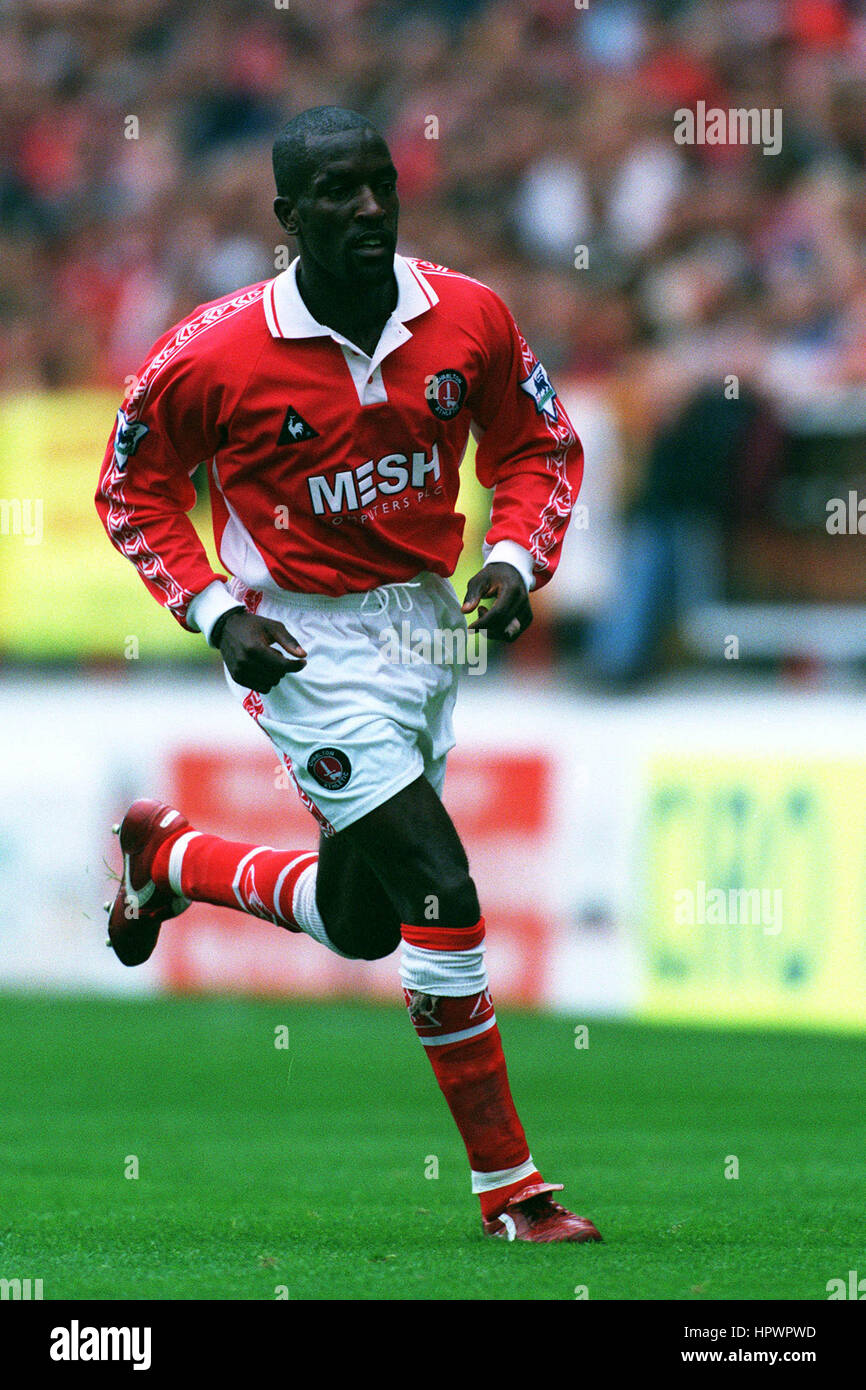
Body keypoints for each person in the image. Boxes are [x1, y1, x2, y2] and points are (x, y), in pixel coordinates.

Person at [96, 106, 599, 1244]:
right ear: (288, 218)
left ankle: (167, 856)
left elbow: (534, 446)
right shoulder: (212, 352)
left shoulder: (467, 317)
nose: (368, 207)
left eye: (379, 183)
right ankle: (510, 1190)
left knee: (368, 919)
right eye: (337, 193)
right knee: (441, 884)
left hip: (424, 632)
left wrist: (514, 560)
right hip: (302, 644)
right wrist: (219, 615)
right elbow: (131, 491)